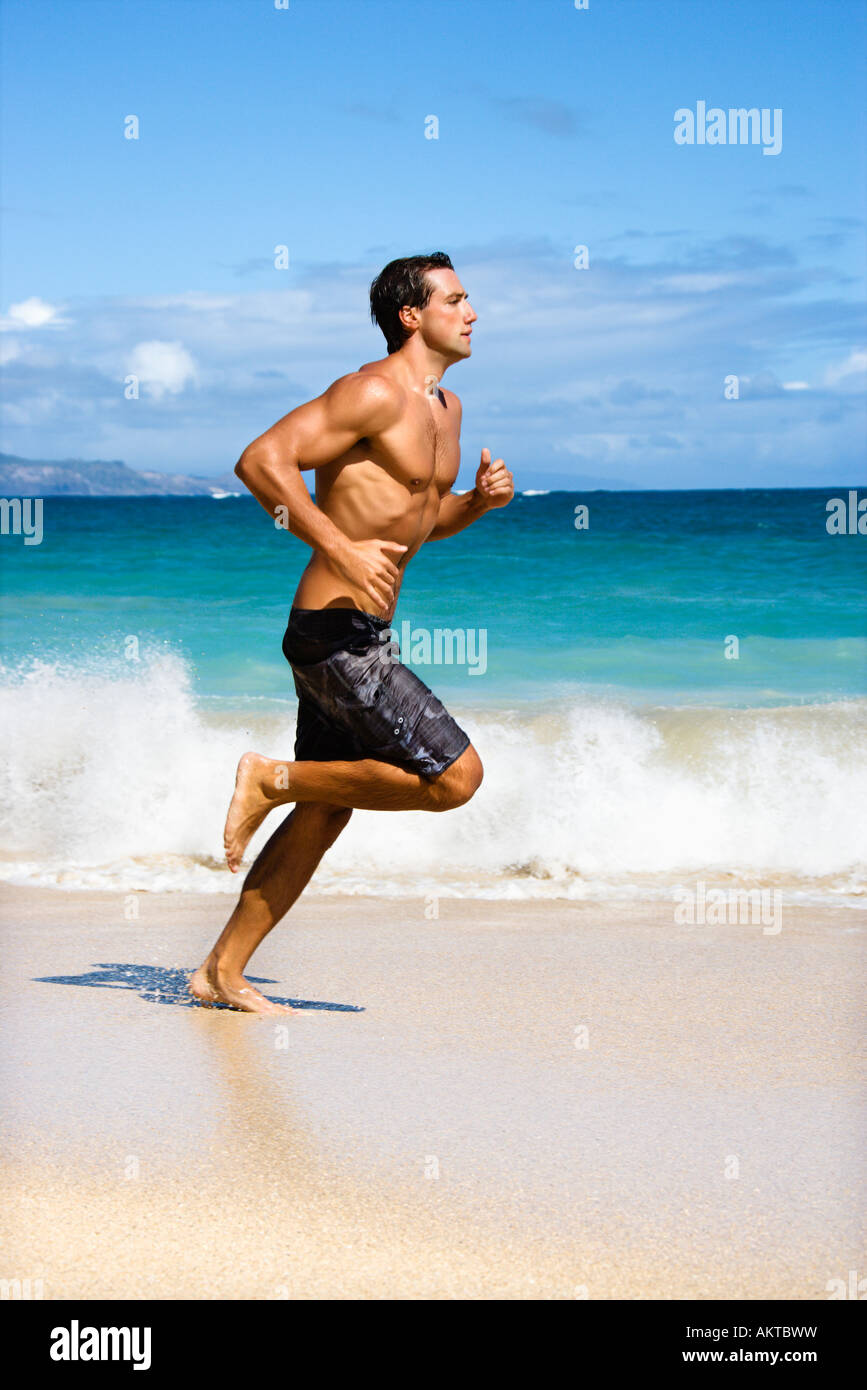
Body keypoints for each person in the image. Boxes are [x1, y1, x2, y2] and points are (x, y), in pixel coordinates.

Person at [189, 252, 514, 1013]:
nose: (471, 313)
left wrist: (475, 504)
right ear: (412, 314)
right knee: (454, 779)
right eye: (457, 300)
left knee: (328, 810)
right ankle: (269, 778)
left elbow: (415, 527)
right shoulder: (369, 391)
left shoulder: (447, 410)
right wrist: (334, 544)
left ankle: (219, 973)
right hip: (333, 633)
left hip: (361, 631)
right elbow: (260, 460)